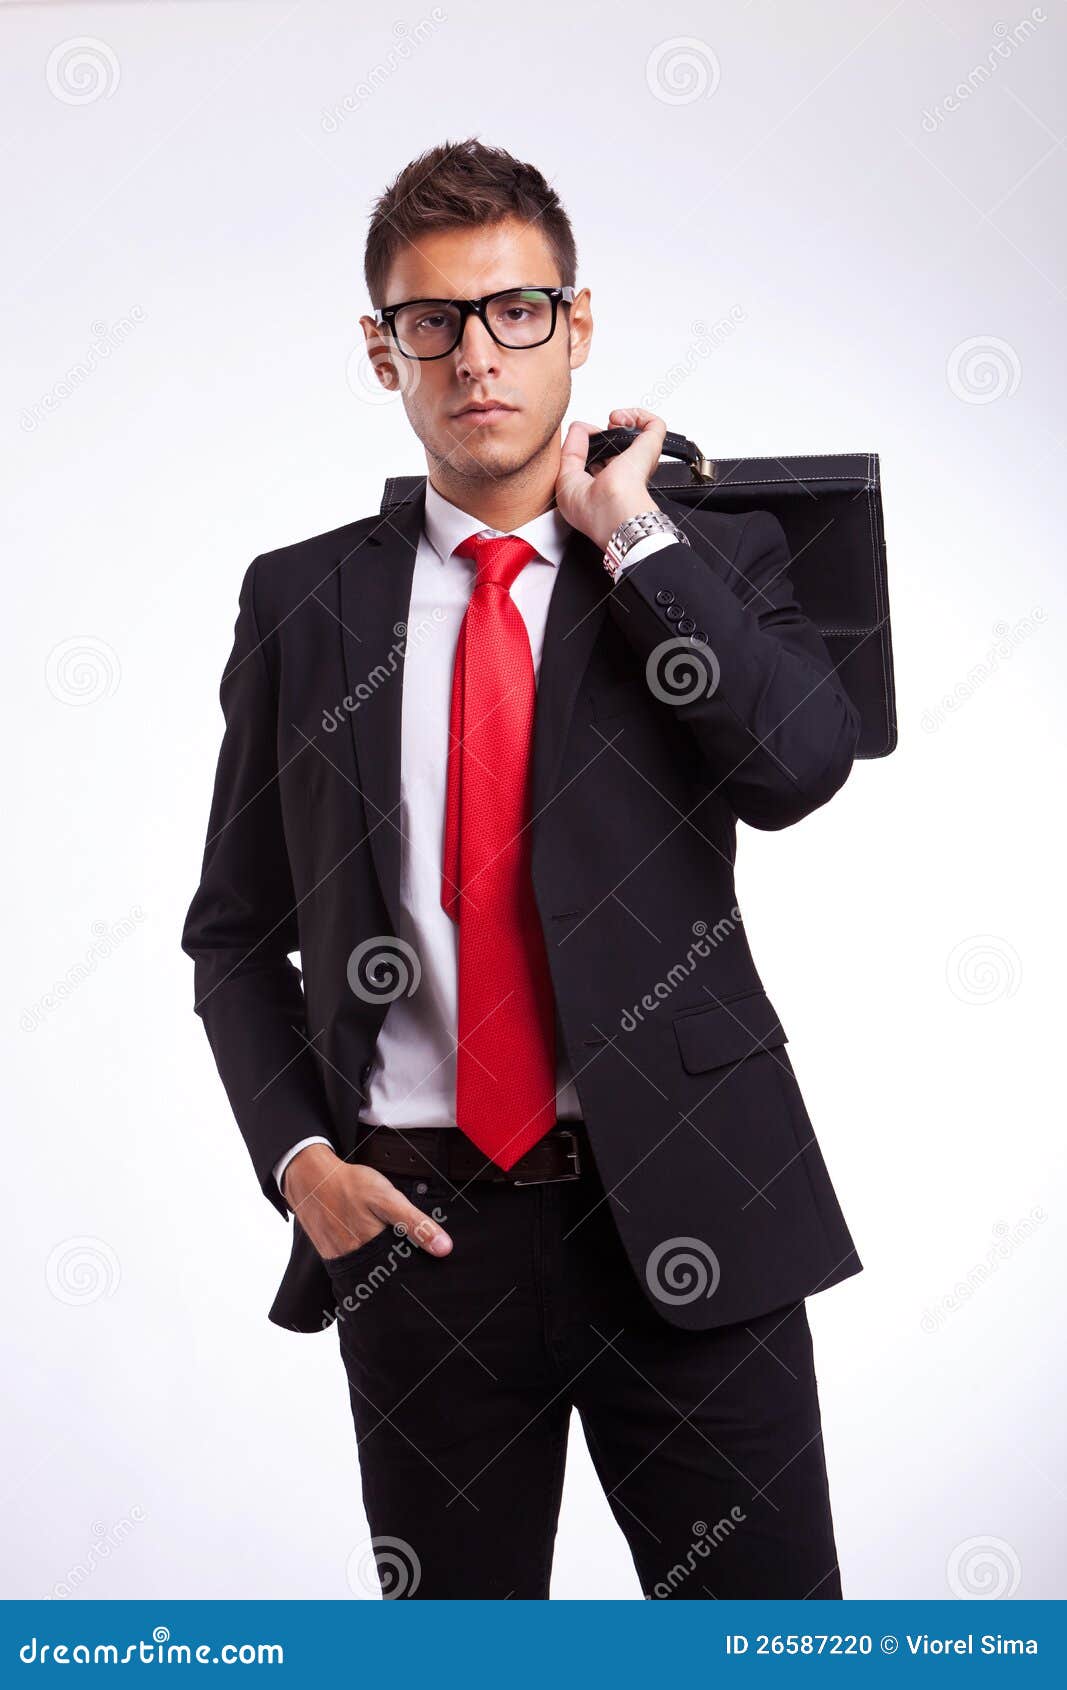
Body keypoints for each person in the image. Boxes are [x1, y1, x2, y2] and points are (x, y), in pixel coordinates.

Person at [182, 137, 863, 1600]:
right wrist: (306, 1166)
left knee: (771, 1645)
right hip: (420, 1239)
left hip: (687, 1223)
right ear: (384, 352)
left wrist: (636, 535)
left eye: (516, 311)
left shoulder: (704, 553)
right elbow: (234, 934)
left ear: (578, 323)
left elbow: (797, 765)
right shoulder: (304, 602)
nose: (477, 355)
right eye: (433, 322)